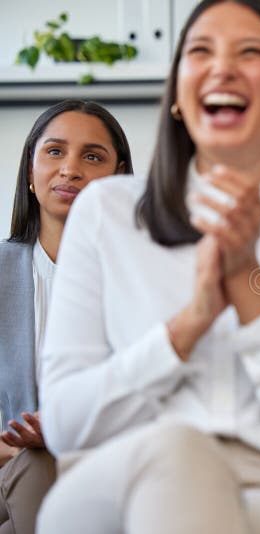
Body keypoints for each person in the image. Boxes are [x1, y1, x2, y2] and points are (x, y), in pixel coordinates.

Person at [36, 1, 260, 533]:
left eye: (249, 52)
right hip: (115, 479)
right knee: (179, 451)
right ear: (179, 95)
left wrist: (247, 282)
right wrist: (188, 326)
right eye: (200, 51)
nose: (222, 67)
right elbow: (66, 424)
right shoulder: (106, 212)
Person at [0, 100, 132, 534]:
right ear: (31, 174)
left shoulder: (143, 279)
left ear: (119, 176)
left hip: (107, 464)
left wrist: (64, 435)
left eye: (92, 156)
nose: (70, 169)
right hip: (9, 467)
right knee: (36, 466)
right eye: (54, 151)